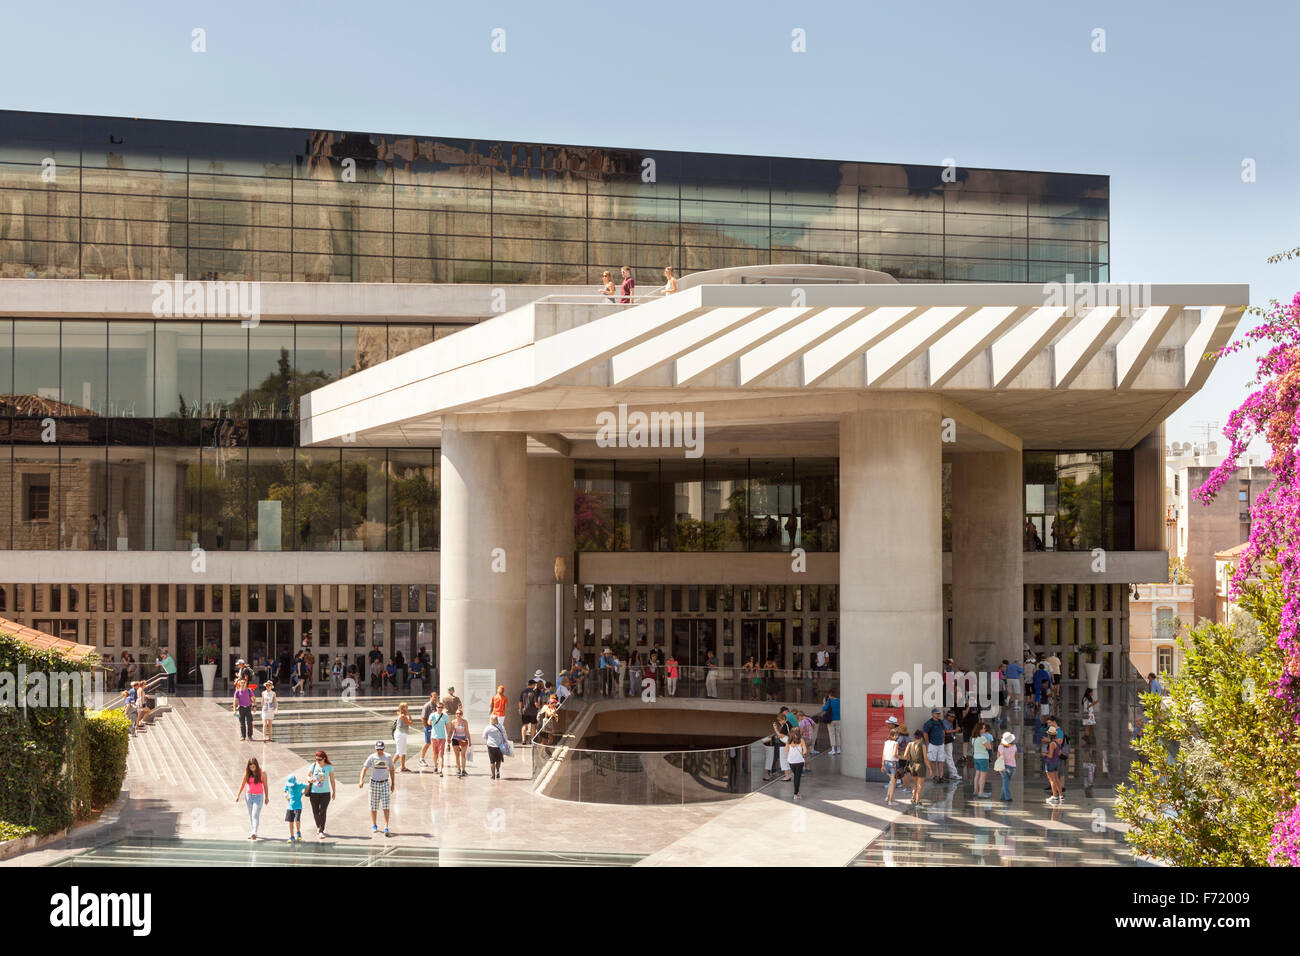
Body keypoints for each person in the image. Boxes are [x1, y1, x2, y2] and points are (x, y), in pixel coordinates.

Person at [359, 741, 395, 837]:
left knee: (386, 805)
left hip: (385, 783)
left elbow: (392, 769)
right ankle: (374, 824)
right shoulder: (372, 757)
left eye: (381, 749)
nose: (379, 751)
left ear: (384, 748)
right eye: (378, 749)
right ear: (375, 749)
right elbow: (364, 768)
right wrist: (361, 780)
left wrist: (393, 783)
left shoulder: (388, 757)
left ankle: (386, 826)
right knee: (373, 805)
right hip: (374, 783)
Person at [306, 750, 335, 840]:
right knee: (315, 812)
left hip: (325, 793)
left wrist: (334, 791)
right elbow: (307, 776)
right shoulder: (313, 765)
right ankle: (318, 826)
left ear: (324, 758)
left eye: (319, 759)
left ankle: (321, 830)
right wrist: (309, 779)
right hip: (314, 793)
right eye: (316, 759)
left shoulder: (329, 767)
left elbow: (332, 780)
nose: (317, 761)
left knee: (323, 811)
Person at [235, 758, 266, 840]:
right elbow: (242, 784)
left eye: (253, 767)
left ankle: (254, 832)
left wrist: (267, 797)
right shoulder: (247, 773)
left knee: (254, 814)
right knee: (251, 815)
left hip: (258, 796)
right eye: (250, 767)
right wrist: (238, 795)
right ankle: (253, 830)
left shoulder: (262, 773)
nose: (252, 768)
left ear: (256, 765)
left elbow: (265, 786)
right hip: (249, 796)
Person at [902, 731, 930, 806]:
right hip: (920, 766)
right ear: (921, 738)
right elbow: (925, 758)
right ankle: (918, 801)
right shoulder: (922, 745)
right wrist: (930, 768)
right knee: (920, 785)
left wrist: (911, 758)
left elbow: (905, 755)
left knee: (915, 783)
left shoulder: (909, 744)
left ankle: (913, 798)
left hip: (912, 766)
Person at [921, 708, 948, 784]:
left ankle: (941, 776)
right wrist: (928, 743)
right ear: (932, 714)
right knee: (933, 761)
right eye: (937, 713)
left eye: (939, 713)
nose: (938, 715)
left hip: (941, 744)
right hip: (933, 744)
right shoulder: (929, 723)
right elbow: (925, 733)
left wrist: (943, 741)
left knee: (941, 761)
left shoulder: (940, 722)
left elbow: (943, 731)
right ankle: (934, 776)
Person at [782, 726, 808, 800]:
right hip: (799, 761)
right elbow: (805, 751)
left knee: (796, 776)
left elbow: (786, 751)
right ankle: (796, 794)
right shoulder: (801, 740)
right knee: (797, 777)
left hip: (791, 762)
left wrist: (792, 753)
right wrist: (802, 753)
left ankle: (796, 793)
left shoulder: (788, 741)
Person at [970, 721, 995, 798]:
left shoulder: (973, 738)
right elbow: (989, 747)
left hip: (976, 758)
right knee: (983, 776)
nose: (985, 730)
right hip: (983, 758)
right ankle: (981, 793)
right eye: (983, 728)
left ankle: (975, 790)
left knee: (977, 774)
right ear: (979, 729)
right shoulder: (982, 738)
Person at [283, 773, 309, 843]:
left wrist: (303, 793)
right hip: (290, 806)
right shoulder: (287, 785)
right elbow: (285, 790)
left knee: (297, 820)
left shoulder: (299, 784)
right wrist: (286, 796)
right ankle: (292, 836)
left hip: (298, 806)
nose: (291, 785)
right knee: (290, 822)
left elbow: (307, 786)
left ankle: (298, 832)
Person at [428, 700, 451, 775]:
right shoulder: (433, 715)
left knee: (441, 754)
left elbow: (447, 727)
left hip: (442, 737)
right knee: (435, 754)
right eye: (439, 707)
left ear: (443, 708)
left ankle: (440, 769)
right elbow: (429, 722)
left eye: (441, 707)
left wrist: (449, 736)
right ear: (436, 708)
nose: (440, 708)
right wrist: (430, 721)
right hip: (434, 737)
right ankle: (435, 767)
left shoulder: (445, 716)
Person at [1043, 726, 1064, 805]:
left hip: (1050, 762)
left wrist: (1045, 754)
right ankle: (1061, 795)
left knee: (1051, 780)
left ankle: (1055, 796)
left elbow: (1050, 755)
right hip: (1057, 762)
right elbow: (1059, 753)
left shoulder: (1052, 743)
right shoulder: (1057, 743)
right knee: (1056, 779)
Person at [483, 716, 509, 780]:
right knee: (498, 760)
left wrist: (487, 741)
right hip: (499, 746)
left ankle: (493, 775)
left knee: (492, 761)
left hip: (491, 746)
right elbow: (505, 736)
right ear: (497, 720)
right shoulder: (501, 727)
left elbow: (484, 736)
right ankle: (497, 770)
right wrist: (506, 742)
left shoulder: (488, 727)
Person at [449, 707, 471, 777]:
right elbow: (451, 731)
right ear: (455, 714)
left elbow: (467, 731)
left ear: (462, 714)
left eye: (460, 713)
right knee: (457, 755)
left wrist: (469, 740)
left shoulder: (465, 722)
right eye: (457, 713)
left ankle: (463, 770)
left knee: (463, 755)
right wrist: (449, 737)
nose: (458, 715)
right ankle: (458, 769)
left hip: (463, 739)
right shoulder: (453, 722)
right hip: (455, 739)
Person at [882, 728, 902, 803]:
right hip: (893, 764)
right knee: (894, 783)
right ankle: (891, 801)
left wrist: (882, 764)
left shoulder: (886, 742)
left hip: (886, 763)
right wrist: (901, 757)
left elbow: (883, 754)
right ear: (894, 735)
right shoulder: (895, 743)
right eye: (897, 735)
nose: (897, 737)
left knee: (891, 781)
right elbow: (894, 755)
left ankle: (887, 797)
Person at [997, 732, 1018, 802]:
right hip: (1012, 766)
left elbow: (998, 756)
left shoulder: (1000, 746)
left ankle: (1005, 797)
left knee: (1005, 781)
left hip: (1002, 766)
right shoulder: (1014, 746)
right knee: (1006, 781)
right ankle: (1004, 796)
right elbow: (1016, 756)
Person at [233, 677, 255, 742]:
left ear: (246, 683)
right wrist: (234, 710)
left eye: (243, 683)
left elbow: (254, 698)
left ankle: (250, 736)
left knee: (249, 723)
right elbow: (234, 701)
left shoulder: (249, 690)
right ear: (239, 684)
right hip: (241, 708)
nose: (242, 684)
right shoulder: (237, 692)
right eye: (241, 683)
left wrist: (254, 706)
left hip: (248, 708)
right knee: (242, 723)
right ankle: (243, 736)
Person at [393, 702, 413, 772]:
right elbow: (410, 723)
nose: (407, 708)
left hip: (403, 735)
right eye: (406, 707)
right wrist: (409, 715)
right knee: (399, 752)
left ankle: (403, 767)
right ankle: (390, 767)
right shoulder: (403, 716)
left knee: (404, 751)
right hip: (400, 735)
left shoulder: (403, 715)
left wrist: (408, 714)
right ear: (403, 708)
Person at [519, 680, 540, 745]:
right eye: (534, 685)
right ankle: (531, 740)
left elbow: (520, 702)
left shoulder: (523, 692)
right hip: (533, 712)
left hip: (524, 711)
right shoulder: (534, 692)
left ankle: (523, 740)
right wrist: (539, 707)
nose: (535, 686)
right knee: (533, 725)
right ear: (532, 685)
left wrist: (520, 709)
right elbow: (536, 703)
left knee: (524, 725)